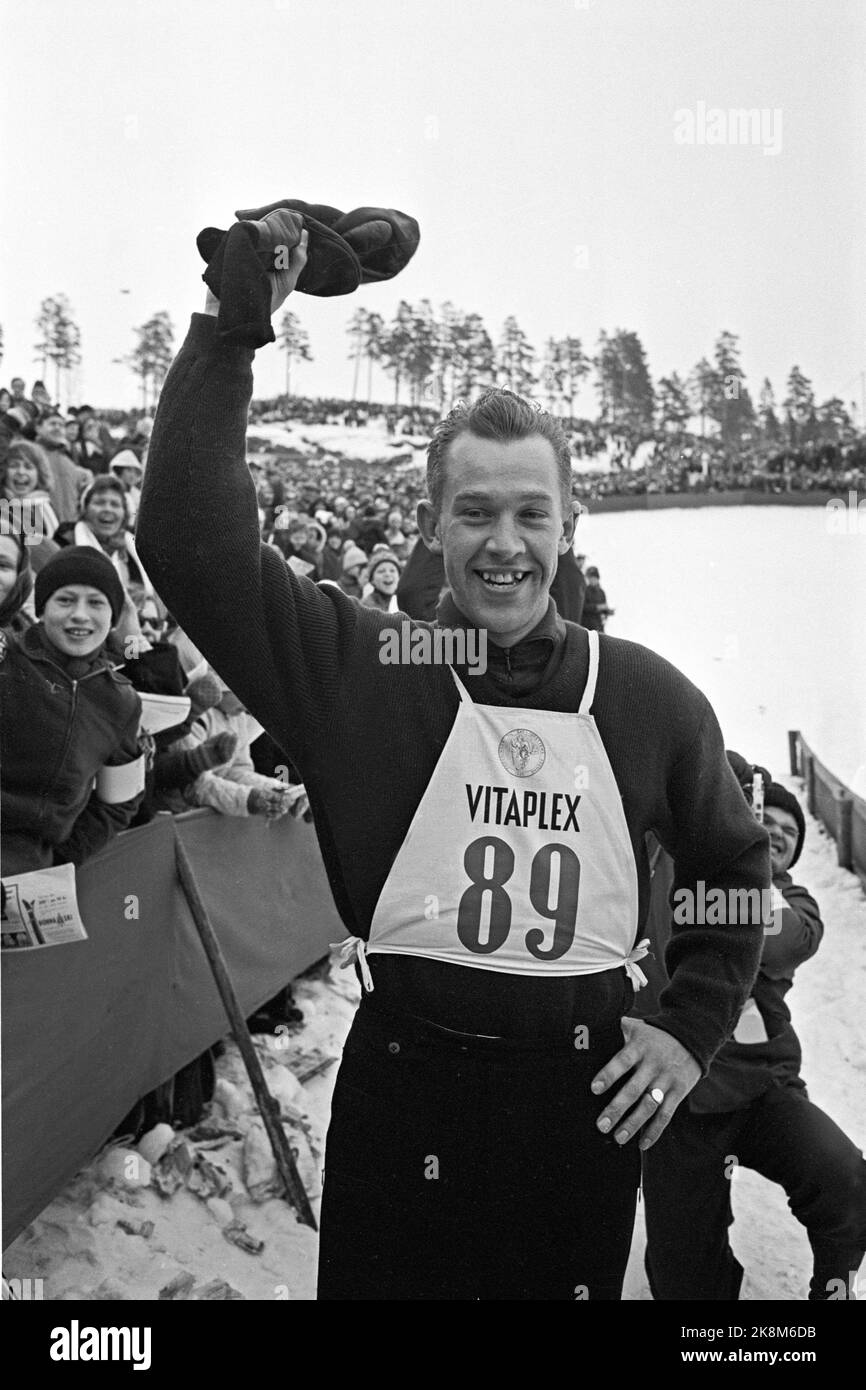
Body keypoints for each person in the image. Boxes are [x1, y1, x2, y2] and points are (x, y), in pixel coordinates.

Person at [137, 212, 768, 1301]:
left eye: (531, 512)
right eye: (473, 511)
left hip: (580, 1105)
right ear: (432, 523)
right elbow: (188, 542)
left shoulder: (649, 697)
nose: (504, 542)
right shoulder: (373, 663)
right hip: (405, 1084)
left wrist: (687, 1028)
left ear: (568, 527)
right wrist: (230, 332)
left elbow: (730, 871)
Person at [642, 778, 866, 1302]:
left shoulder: (792, 900)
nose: (779, 833)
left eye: (790, 831)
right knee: (682, 1273)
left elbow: (787, 939)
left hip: (764, 1087)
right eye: (768, 821)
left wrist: (748, 865)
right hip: (679, 1099)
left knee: (846, 1181)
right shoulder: (681, 875)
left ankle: (834, 1291)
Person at [0, 546, 144, 874]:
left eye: (96, 603)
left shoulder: (121, 701)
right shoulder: (5, 657)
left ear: (113, 617)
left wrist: (61, 862)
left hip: (33, 874)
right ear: (42, 608)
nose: (80, 614)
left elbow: (119, 801)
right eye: (65, 600)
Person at [54, 474, 152, 596]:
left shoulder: (134, 549)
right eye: (99, 502)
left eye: (115, 504)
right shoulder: (64, 543)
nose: (107, 509)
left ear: (124, 513)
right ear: (84, 509)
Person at [34, 410, 93, 525]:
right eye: (52, 424)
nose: (57, 428)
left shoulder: (67, 461)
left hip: (68, 529)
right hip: (40, 528)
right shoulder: (30, 456)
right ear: (38, 428)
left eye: (61, 425)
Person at [361, 548, 401, 613]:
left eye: (392, 570)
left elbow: (405, 622)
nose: (387, 574)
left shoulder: (404, 603)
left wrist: (403, 622)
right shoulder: (366, 607)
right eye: (381, 571)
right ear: (372, 580)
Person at [581, 565, 614, 632]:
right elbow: (583, 607)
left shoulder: (601, 592)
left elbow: (603, 610)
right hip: (586, 626)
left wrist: (607, 611)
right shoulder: (584, 591)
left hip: (599, 626)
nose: (592, 580)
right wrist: (597, 607)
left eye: (594, 578)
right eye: (590, 578)